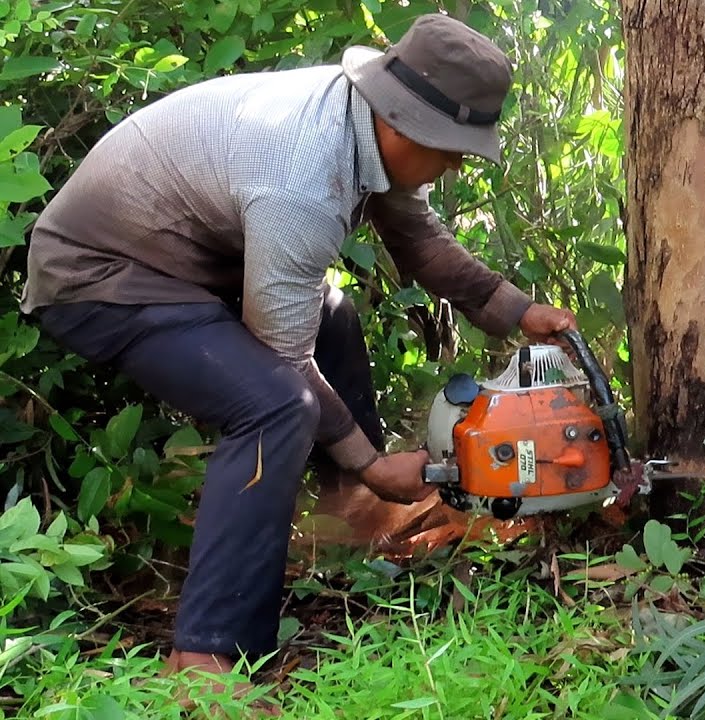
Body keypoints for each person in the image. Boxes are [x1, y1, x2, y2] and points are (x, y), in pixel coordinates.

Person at [20, 13, 575, 680]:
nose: (456, 164)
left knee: (332, 314)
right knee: (275, 405)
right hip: (97, 275)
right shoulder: (302, 180)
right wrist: (371, 460)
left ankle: (356, 527)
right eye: (453, 148)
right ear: (405, 124)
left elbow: (418, 237)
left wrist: (518, 310)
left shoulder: (363, 126)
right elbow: (282, 358)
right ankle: (203, 657)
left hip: (184, 259)